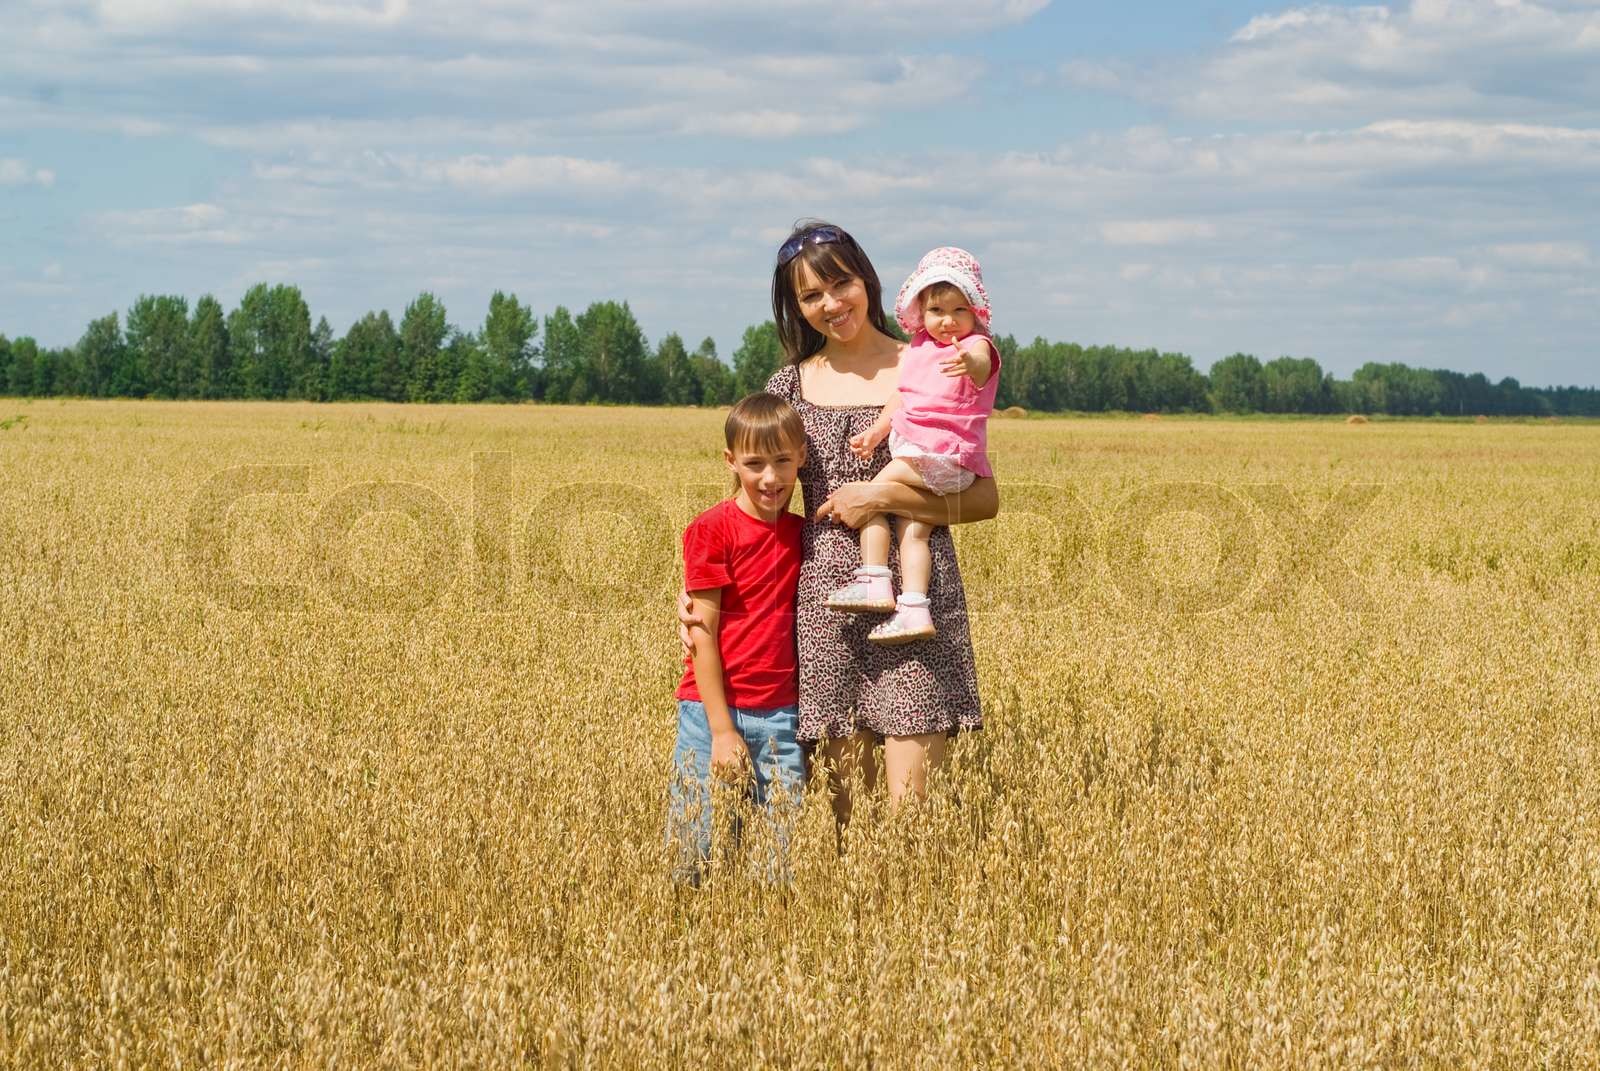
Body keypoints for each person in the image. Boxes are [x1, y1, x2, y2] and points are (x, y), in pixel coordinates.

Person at [680, 220, 998, 825]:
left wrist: (873, 501)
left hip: (917, 602)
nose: (830, 304)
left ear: (868, 281)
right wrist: (700, 596)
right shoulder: (789, 386)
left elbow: (984, 499)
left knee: (913, 818)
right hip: (825, 607)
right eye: (810, 296)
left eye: (840, 284)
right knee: (847, 815)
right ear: (794, 307)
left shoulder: (928, 363)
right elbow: (752, 507)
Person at [666, 392, 809, 881]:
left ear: (802, 458)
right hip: (707, 715)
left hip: (783, 714)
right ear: (730, 461)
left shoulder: (804, 534)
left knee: (778, 854)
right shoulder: (711, 530)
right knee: (694, 845)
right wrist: (722, 728)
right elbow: (701, 633)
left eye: (782, 461)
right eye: (754, 464)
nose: (770, 478)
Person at [826, 247, 999, 646]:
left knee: (872, 496)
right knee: (913, 528)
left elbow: (981, 362)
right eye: (938, 310)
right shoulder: (919, 349)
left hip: (941, 453)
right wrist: (877, 431)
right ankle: (915, 608)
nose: (949, 321)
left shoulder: (976, 344)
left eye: (960, 310)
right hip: (929, 454)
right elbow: (902, 397)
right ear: (921, 312)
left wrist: (970, 363)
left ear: (976, 312)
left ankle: (874, 580)